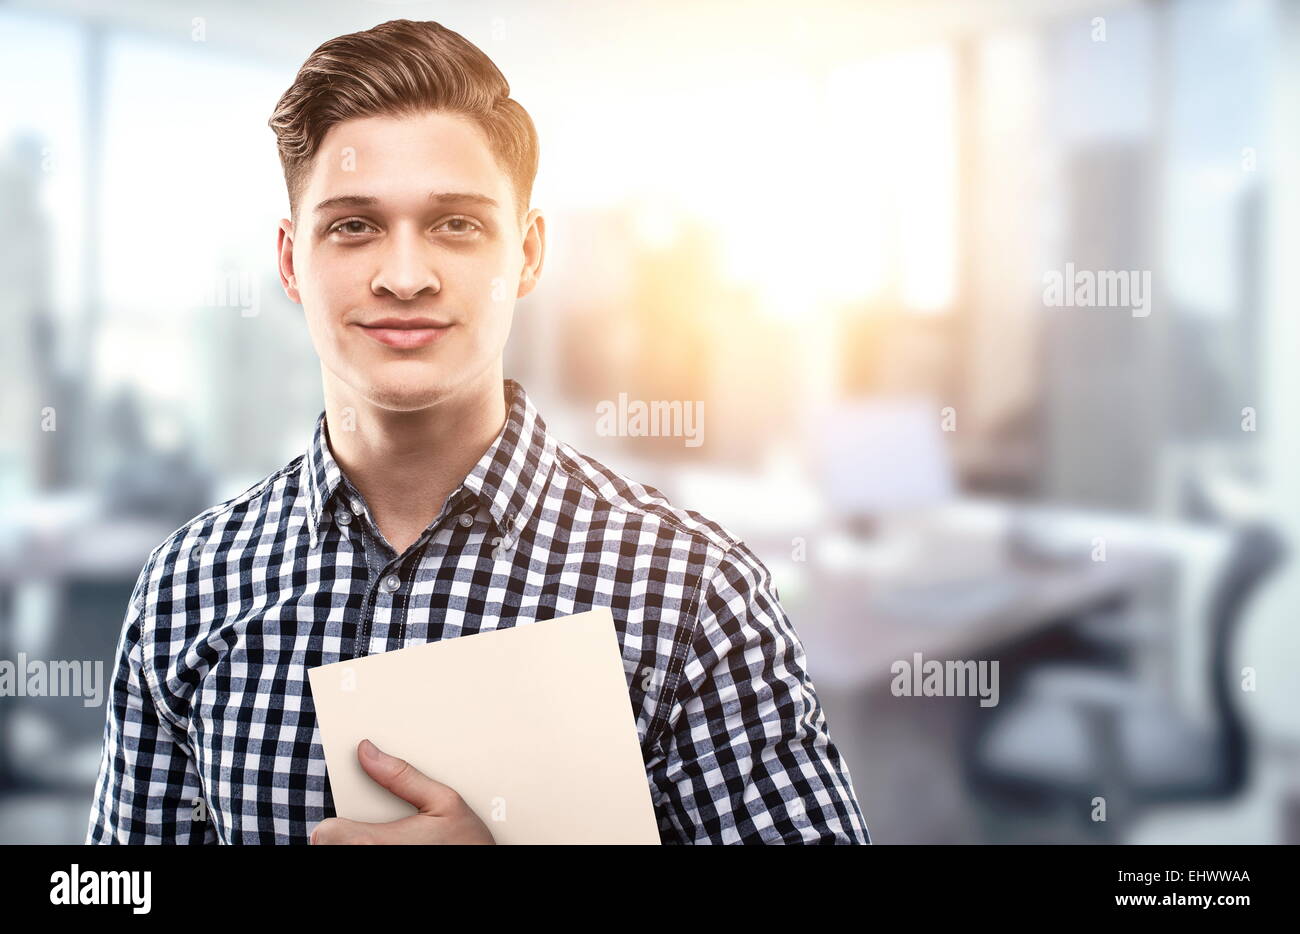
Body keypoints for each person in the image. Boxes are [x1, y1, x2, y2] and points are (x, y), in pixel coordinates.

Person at [87, 18, 869, 845]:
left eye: (456, 224)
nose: (404, 277)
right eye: (353, 226)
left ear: (526, 254)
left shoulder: (694, 591)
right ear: (289, 261)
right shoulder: (187, 586)